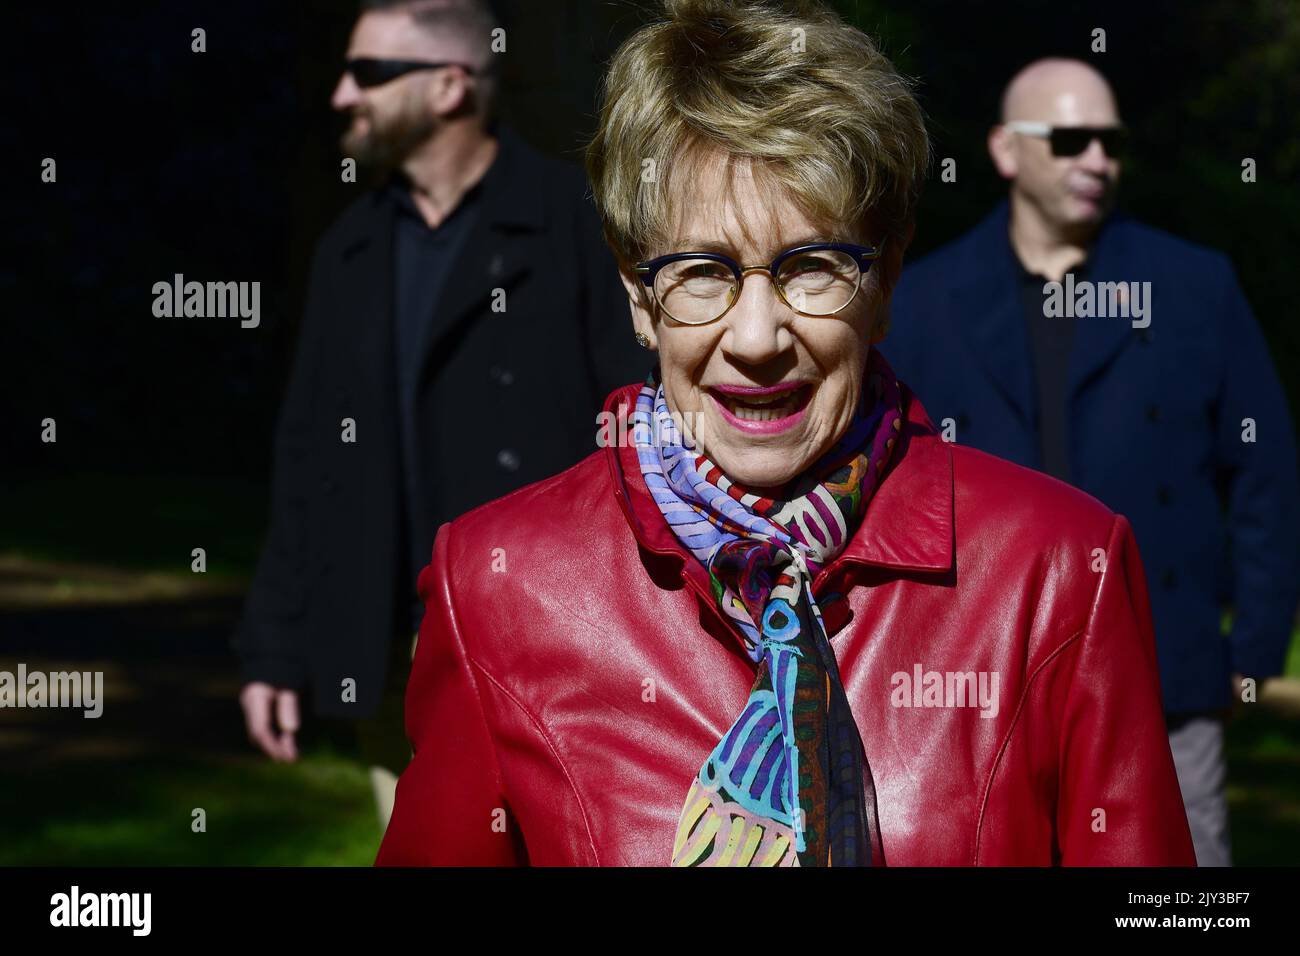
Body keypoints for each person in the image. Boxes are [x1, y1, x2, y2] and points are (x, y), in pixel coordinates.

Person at [375, 0, 1195, 866]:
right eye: (701, 272)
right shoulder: (499, 586)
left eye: (812, 266)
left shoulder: (1062, 570)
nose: (758, 338)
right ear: (636, 296)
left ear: (885, 282)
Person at [232, 0, 644, 830]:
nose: (343, 94)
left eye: (370, 74)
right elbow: (307, 455)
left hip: (548, 644)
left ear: (451, 86)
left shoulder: (578, 222)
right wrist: (273, 646)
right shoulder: (348, 248)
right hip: (384, 649)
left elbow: (640, 427)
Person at [884, 57, 1300, 867]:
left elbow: (1265, 475)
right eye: (1071, 139)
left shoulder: (1193, 286)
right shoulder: (925, 301)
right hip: (974, 688)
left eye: (1109, 142)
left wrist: (1249, 655)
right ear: (1005, 150)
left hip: (1167, 680)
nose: (1097, 160)